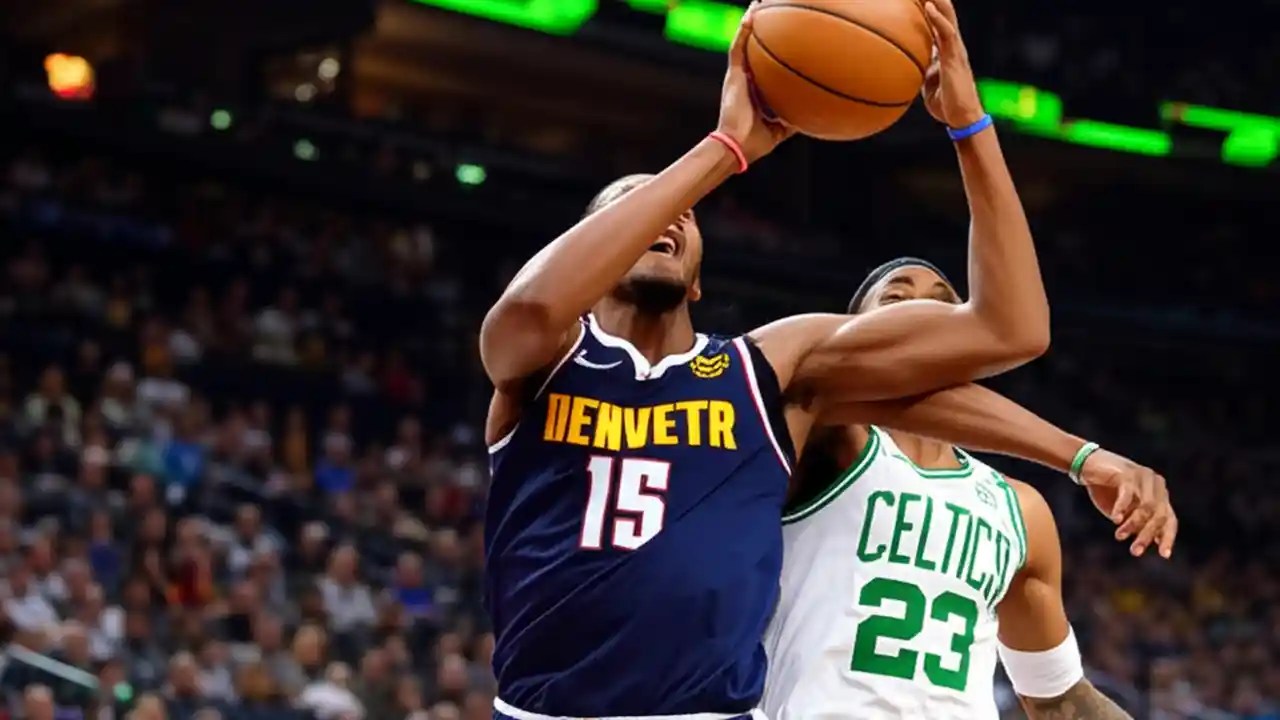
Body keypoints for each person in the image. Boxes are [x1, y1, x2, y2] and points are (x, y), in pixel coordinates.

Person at [478, 1, 1172, 717]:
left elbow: (1012, 329)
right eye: (634, 211)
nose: (667, 216)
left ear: (701, 279)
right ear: (588, 254)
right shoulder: (542, 364)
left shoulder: (761, 373)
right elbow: (528, 310)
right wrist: (724, 148)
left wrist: (969, 126)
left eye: (680, 213)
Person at [762, 258, 1160, 719]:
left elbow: (1057, 697)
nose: (920, 312)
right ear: (850, 331)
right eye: (895, 299)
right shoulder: (818, 439)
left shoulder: (1019, 509)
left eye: (942, 304)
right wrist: (1080, 456)